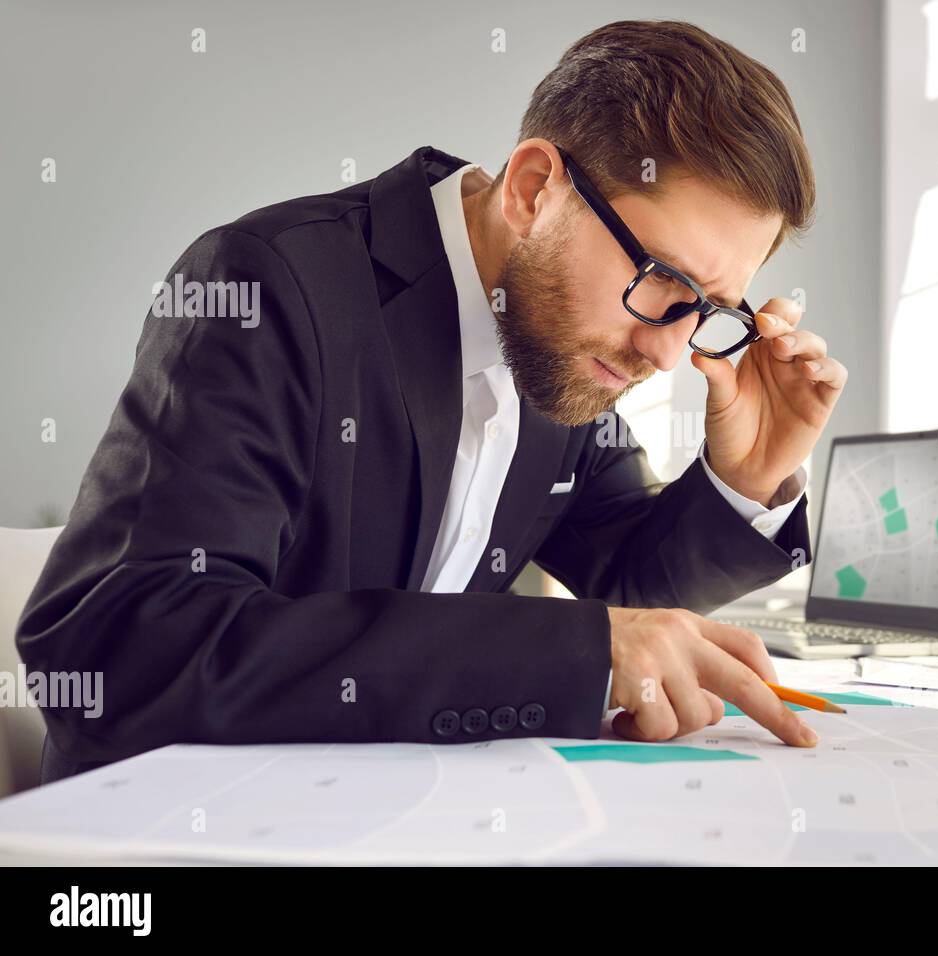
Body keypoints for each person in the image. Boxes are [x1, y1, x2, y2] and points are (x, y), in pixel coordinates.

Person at [17, 19, 846, 784]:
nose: (669, 350)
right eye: (662, 281)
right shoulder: (267, 284)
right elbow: (124, 651)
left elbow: (628, 580)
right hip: (181, 829)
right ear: (532, 190)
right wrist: (563, 655)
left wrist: (748, 477)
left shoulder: (561, 340)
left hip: (410, 810)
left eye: (709, 311)